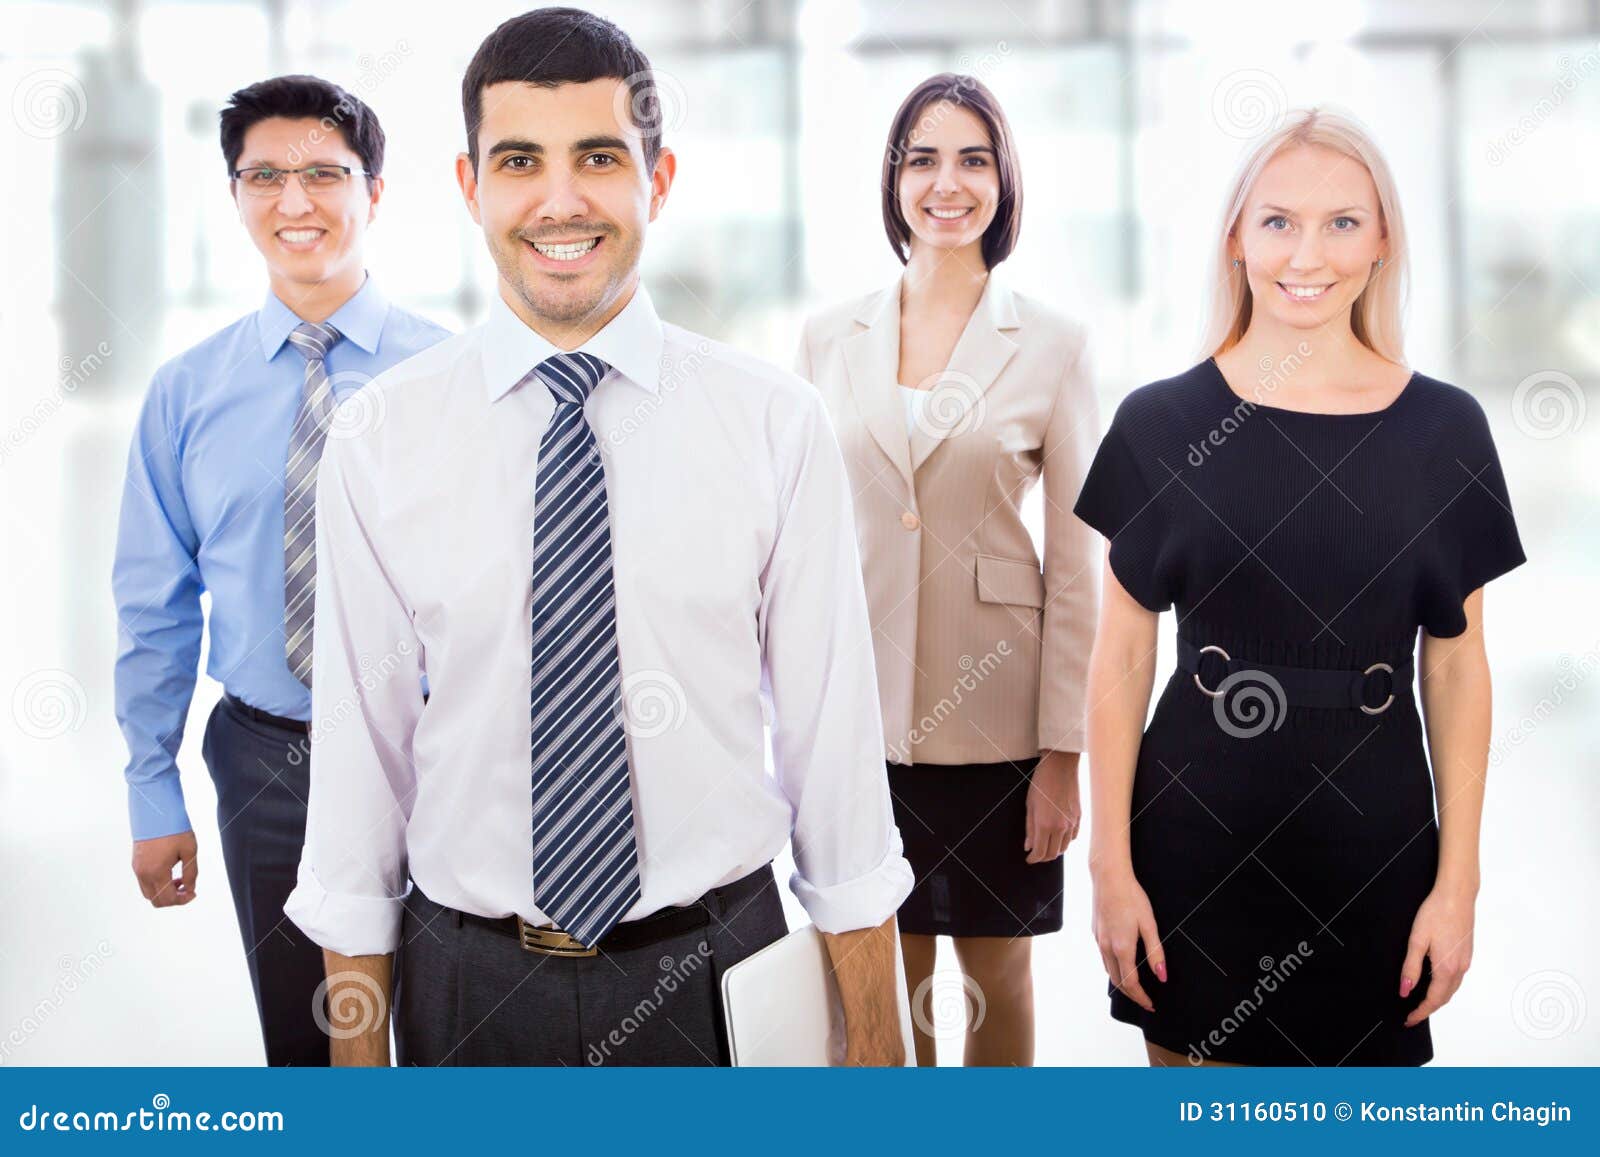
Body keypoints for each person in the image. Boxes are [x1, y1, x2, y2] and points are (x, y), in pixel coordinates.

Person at [282, 7, 913, 1067]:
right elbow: (360, 763)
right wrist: (356, 1061)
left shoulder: (772, 421)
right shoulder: (382, 435)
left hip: (720, 980)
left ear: (656, 182)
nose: (560, 200)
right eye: (520, 159)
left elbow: (833, 745)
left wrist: (876, 1037)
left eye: (600, 157)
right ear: (470, 184)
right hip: (468, 982)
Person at [1074, 107, 1526, 1066]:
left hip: (1377, 854)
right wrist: (1110, 867)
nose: (1306, 253)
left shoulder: (1447, 432)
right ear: (1236, 239)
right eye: (1277, 220)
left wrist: (1460, 884)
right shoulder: (1160, 423)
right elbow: (1118, 656)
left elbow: (1456, 668)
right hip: (1195, 844)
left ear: (1384, 241)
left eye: (1342, 222)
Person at [113, 74, 449, 1065]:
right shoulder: (187, 393)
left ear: (374, 192)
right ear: (234, 194)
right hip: (267, 760)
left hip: (436, 755)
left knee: (449, 1040)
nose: (293, 202)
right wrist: (151, 790)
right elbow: (154, 605)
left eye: (323, 174)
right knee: (306, 1051)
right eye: (264, 175)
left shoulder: (452, 378)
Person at [794, 74, 1100, 1066]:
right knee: (889, 974)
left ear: (1003, 180)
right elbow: (799, 541)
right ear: (892, 179)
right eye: (922, 157)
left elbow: (1075, 562)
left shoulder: (1052, 344)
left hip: (999, 726)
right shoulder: (827, 337)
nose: (946, 182)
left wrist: (1064, 751)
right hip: (863, 723)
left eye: (972, 158)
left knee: (992, 974)